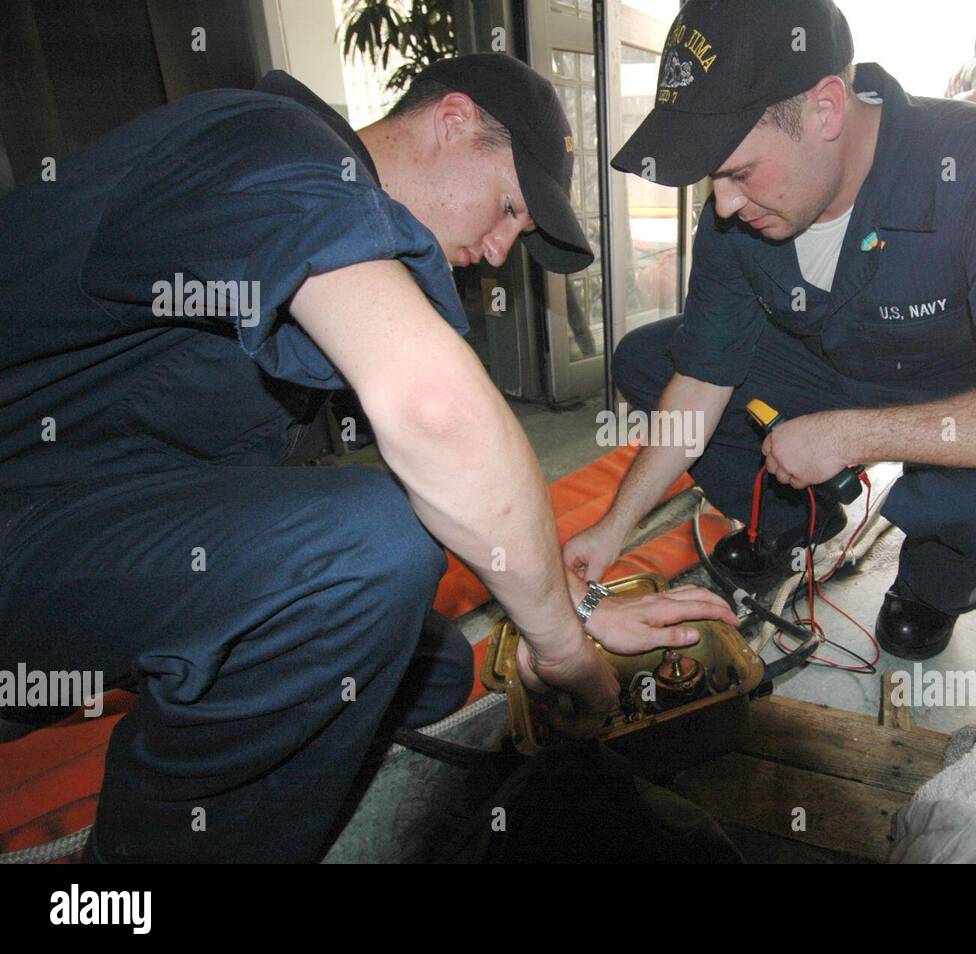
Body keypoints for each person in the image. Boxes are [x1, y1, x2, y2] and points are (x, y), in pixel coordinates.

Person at [0, 53, 736, 863]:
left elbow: (456, 484)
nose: (500, 252)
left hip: (91, 514)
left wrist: (581, 607)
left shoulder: (323, 228)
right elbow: (438, 419)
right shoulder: (270, 147)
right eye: (507, 209)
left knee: (430, 666)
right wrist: (567, 652)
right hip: (22, 512)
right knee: (364, 556)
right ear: (452, 121)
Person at [564, 0, 976, 664]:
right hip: (833, 367)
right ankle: (790, 521)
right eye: (711, 179)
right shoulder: (739, 213)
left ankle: (932, 583)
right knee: (648, 360)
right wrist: (614, 526)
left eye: (739, 172)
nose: (722, 205)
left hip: (967, 399)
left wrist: (849, 436)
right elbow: (702, 379)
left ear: (826, 110)